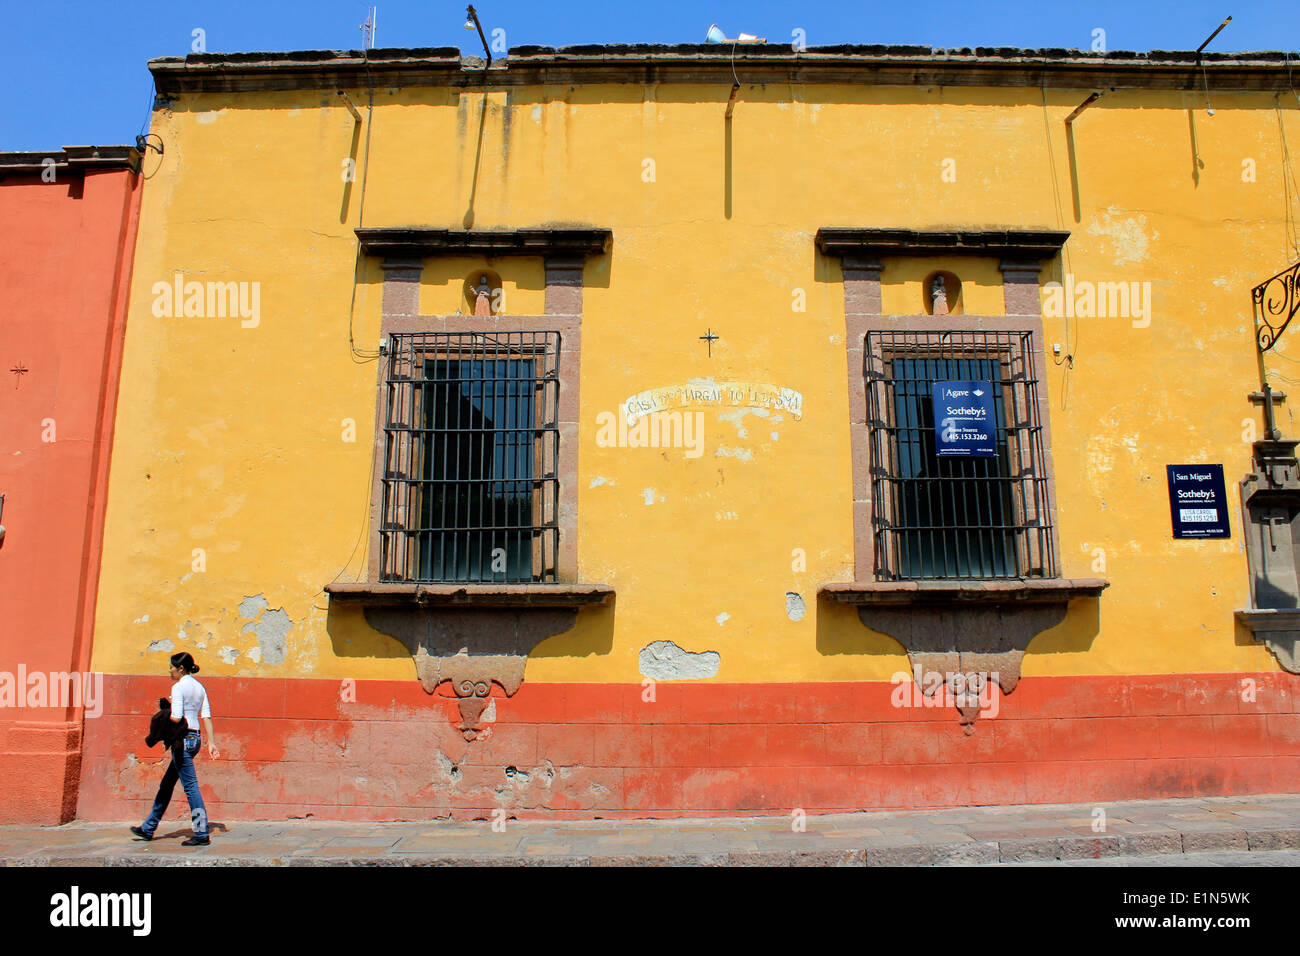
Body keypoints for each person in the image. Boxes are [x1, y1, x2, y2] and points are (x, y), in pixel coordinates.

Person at [130, 652, 219, 846]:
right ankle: (148, 827)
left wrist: (163, 715)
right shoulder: (199, 687)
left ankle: (202, 832)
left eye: (171, 667)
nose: (169, 670)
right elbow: (206, 717)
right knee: (168, 783)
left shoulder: (178, 687)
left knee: (190, 786)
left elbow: (177, 717)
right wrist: (211, 743)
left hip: (183, 741)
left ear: (180, 669)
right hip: (194, 738)